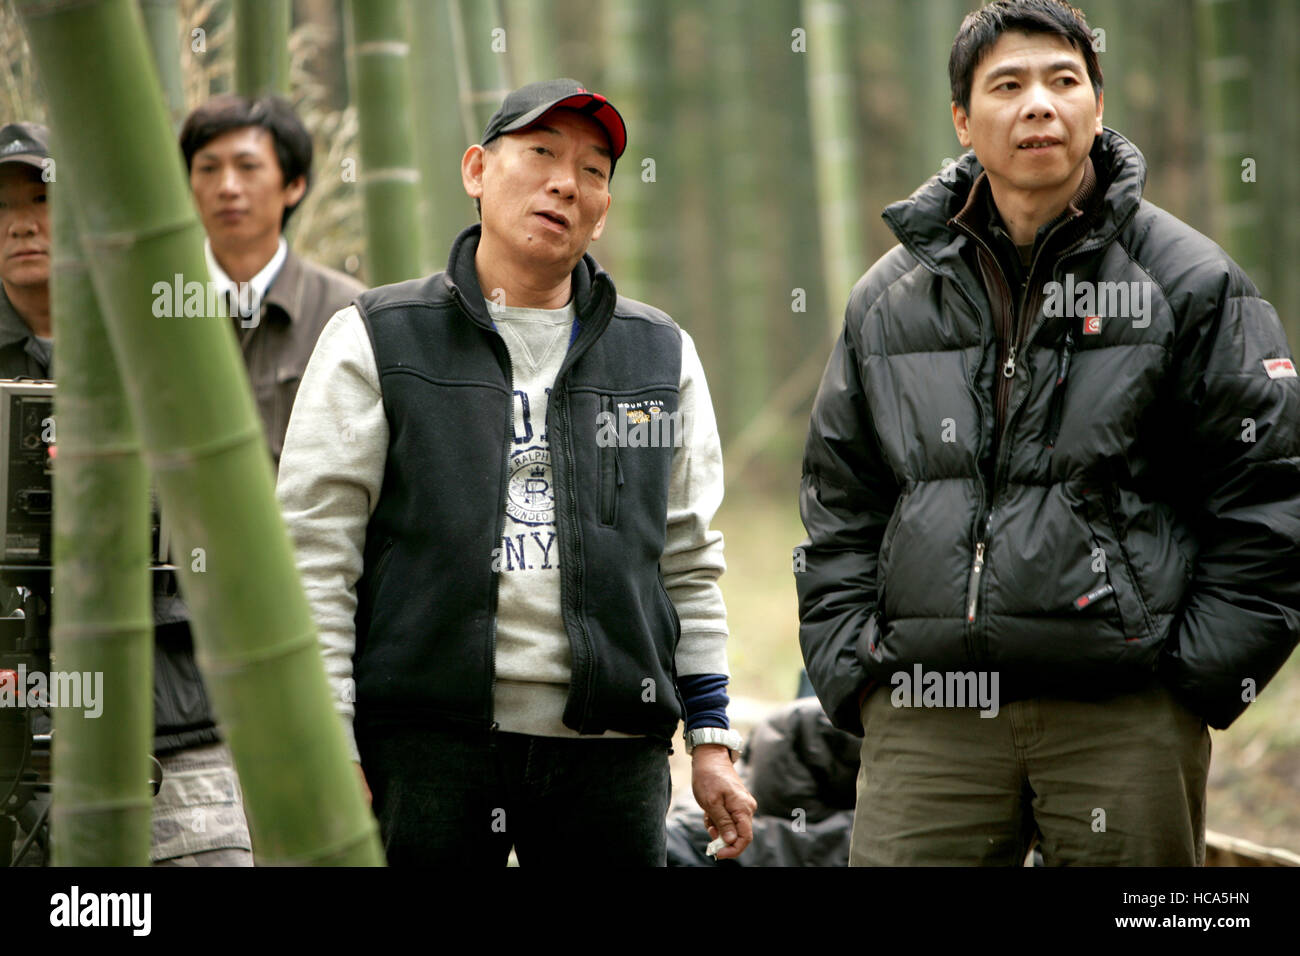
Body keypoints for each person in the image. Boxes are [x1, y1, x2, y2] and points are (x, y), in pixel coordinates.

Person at [796, 0, 1300, 866]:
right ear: (962, 120)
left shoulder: (1188, 283)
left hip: (1122, 713)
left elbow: (1270, 492)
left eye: (1064, 80)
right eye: (1008, 85)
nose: (1039, 104)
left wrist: (1190, 681)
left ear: (1097, 106)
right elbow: (841, 498)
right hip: (932, 712)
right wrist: (857, 668)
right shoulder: (891, 298)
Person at [277, 78, 756, 866]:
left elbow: (687, 561)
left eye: (593, 170)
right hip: (425, 748)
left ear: (603, 209)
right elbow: (315, 560)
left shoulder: (658, 356)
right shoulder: (379, 339)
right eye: (541, 153)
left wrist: (710, 739)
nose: (566, 183)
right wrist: (328, 735)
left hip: (610, 752)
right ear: (476, 170)